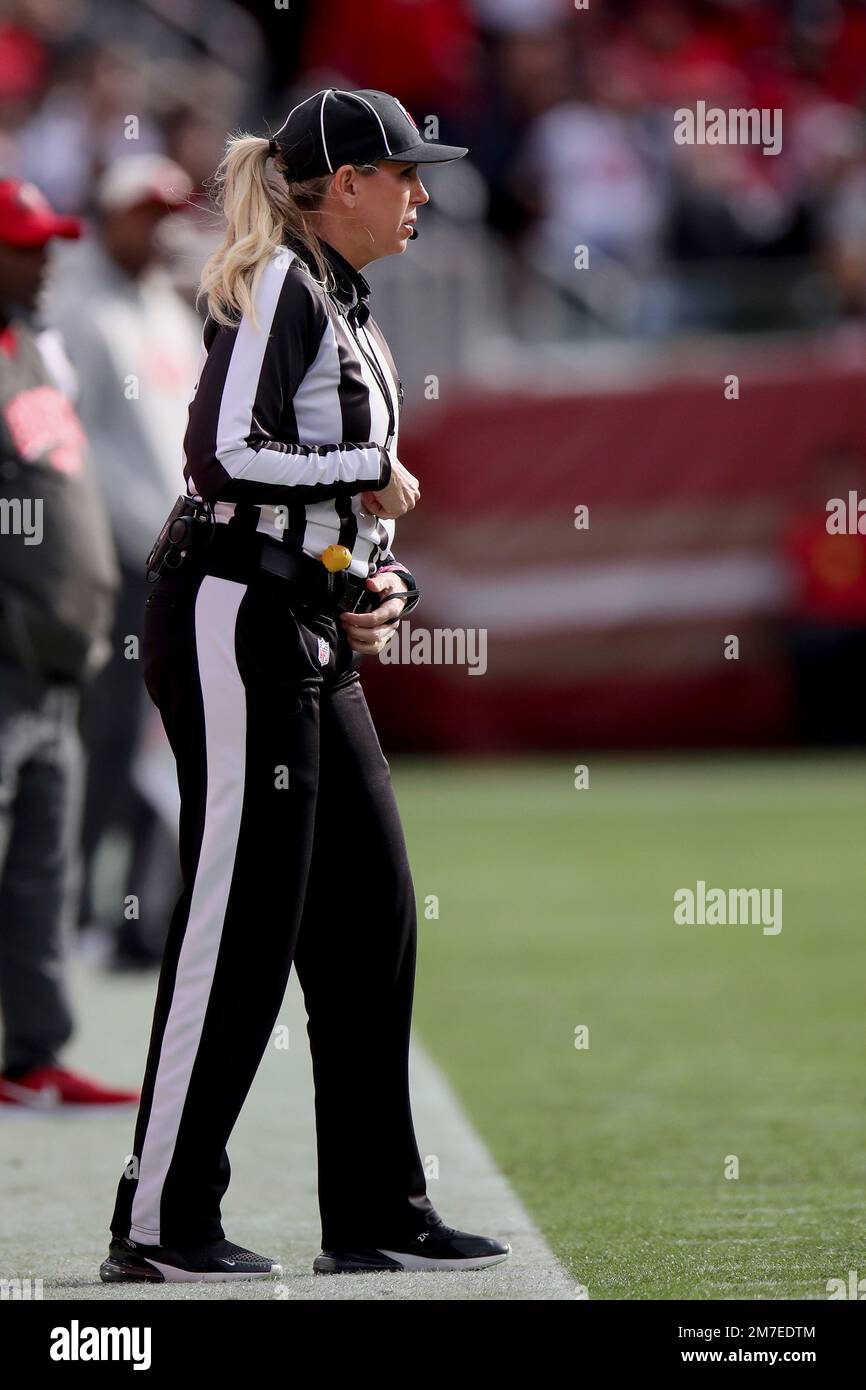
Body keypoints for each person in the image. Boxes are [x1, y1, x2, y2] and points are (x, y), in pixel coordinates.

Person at [99, 88, 511, 1282]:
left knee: (369, 913)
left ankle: (377, 1204)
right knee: (239, 920)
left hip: (295, 617)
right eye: (402, 171)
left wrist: (383, 582)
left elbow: (328, 504)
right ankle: (160, 1219)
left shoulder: (341, 299)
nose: (420, 192)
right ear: (342, 184)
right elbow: (223, 451)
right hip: (232, 616)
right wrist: (369, 466)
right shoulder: (281, 278)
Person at [0, 179, 136, 1108]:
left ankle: (34, 1056)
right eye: (26, 244)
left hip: (52, 660)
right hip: (3, 656)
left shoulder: (36, 348)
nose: (47, 260)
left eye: (50, 244)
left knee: (44, 869)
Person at [46, 155, 201, 968]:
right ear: (110, 218)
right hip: (118, 564)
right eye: (148, 213)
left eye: (172, 215)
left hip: (174, 559)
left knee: (169, 739)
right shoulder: (79, 315)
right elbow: (71, 450)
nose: (163, 229)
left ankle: (142, 918)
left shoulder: (166, 312)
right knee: (104, 740)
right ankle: (70, 909)